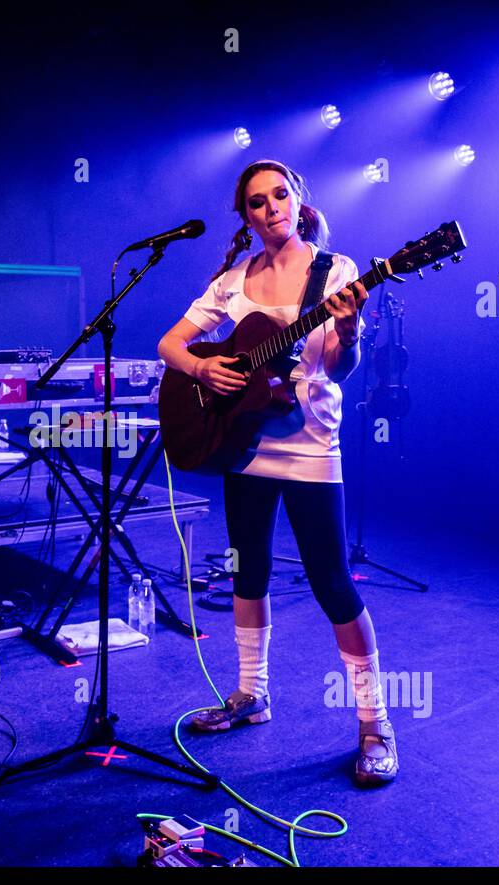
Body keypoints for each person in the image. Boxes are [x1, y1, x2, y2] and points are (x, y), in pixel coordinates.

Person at [157, 159, 397, 786]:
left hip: (313, 446)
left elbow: (340, 371)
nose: (271, 208)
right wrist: (204, 370)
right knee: (248, 568)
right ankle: (250, 695)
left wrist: (347, 330)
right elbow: (170, 345)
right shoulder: (234, 280)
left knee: (331, 581)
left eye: (280, 196)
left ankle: (375, 723)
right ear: (245, 216)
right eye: (257, 202)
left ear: (298, 200)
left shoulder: (334, 272)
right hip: (246, 444)